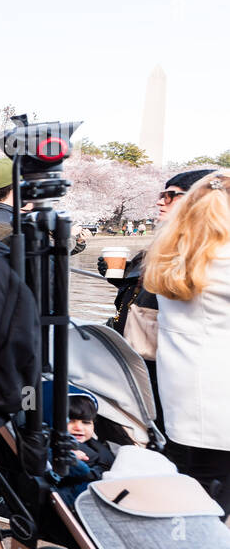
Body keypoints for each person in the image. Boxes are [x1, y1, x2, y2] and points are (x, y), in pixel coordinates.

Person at [99, 168, 214, 434]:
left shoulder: (201, 251)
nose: (160, 201)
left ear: (198, 201)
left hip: (163, 370)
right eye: (161, 194)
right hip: (138, 361)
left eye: (171, 195)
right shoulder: (166, 244)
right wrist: (124, 278)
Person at [143, 170, 230, 509]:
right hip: (219, 406)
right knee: (211, 502)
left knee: (189, 490)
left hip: (181, 397)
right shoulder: (222, 264)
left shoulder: (173, 258)